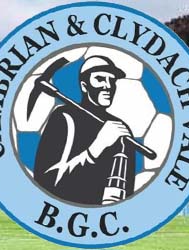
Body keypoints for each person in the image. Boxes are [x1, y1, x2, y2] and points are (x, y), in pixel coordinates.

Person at [32, 55, 135, 205]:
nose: (108, 85)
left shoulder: (121, 129)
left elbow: (128, 189)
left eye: (112, 80)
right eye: (100, 79)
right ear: (84, 86)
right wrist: (97, 147)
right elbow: (45, 182)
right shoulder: (64, 117)